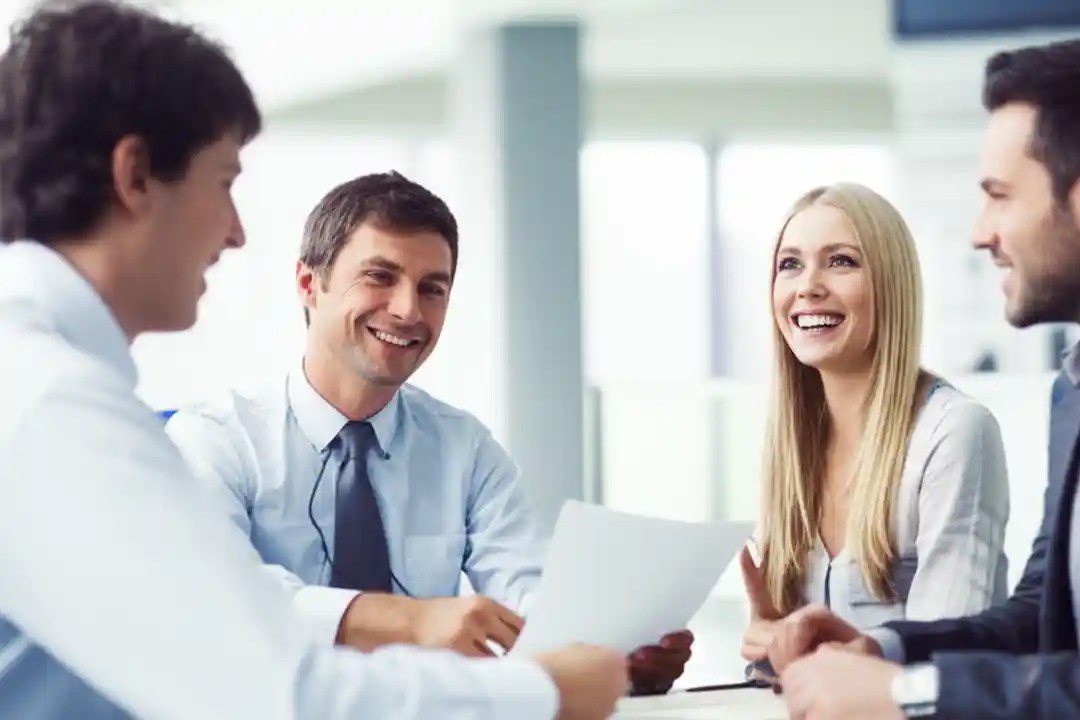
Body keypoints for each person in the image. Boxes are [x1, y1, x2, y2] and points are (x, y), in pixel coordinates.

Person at [0, 2, 628, 718]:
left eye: (432, 288)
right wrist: (545, 692)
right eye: (225, 182)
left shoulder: (42, 380)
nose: (236, 233)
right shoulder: (55, 404)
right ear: (136, 174)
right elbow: (267, 691)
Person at [768, 34, 1080, 720]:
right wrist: (883, 649)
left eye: (1000, 196)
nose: (982, 233)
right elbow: (1044, 616)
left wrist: (913, 695)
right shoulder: (1077, 395)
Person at [164, 171, 693, 694]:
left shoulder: (465, 449)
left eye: (432, 288)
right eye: (379, 276)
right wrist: (404, 620)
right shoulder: (216, 439)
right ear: (309, 285)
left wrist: (610, 652)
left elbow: (525, 592)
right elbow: (217, 590)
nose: (408, 310)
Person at [739, 183, 1010, 676]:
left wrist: (804, 654)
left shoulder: (954, 433)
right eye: (790, 264)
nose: (808, 286)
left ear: (890, 284)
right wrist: (769, 650)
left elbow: (942, 662)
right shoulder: (789, 446)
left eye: (840, 261)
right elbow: (778, 665)